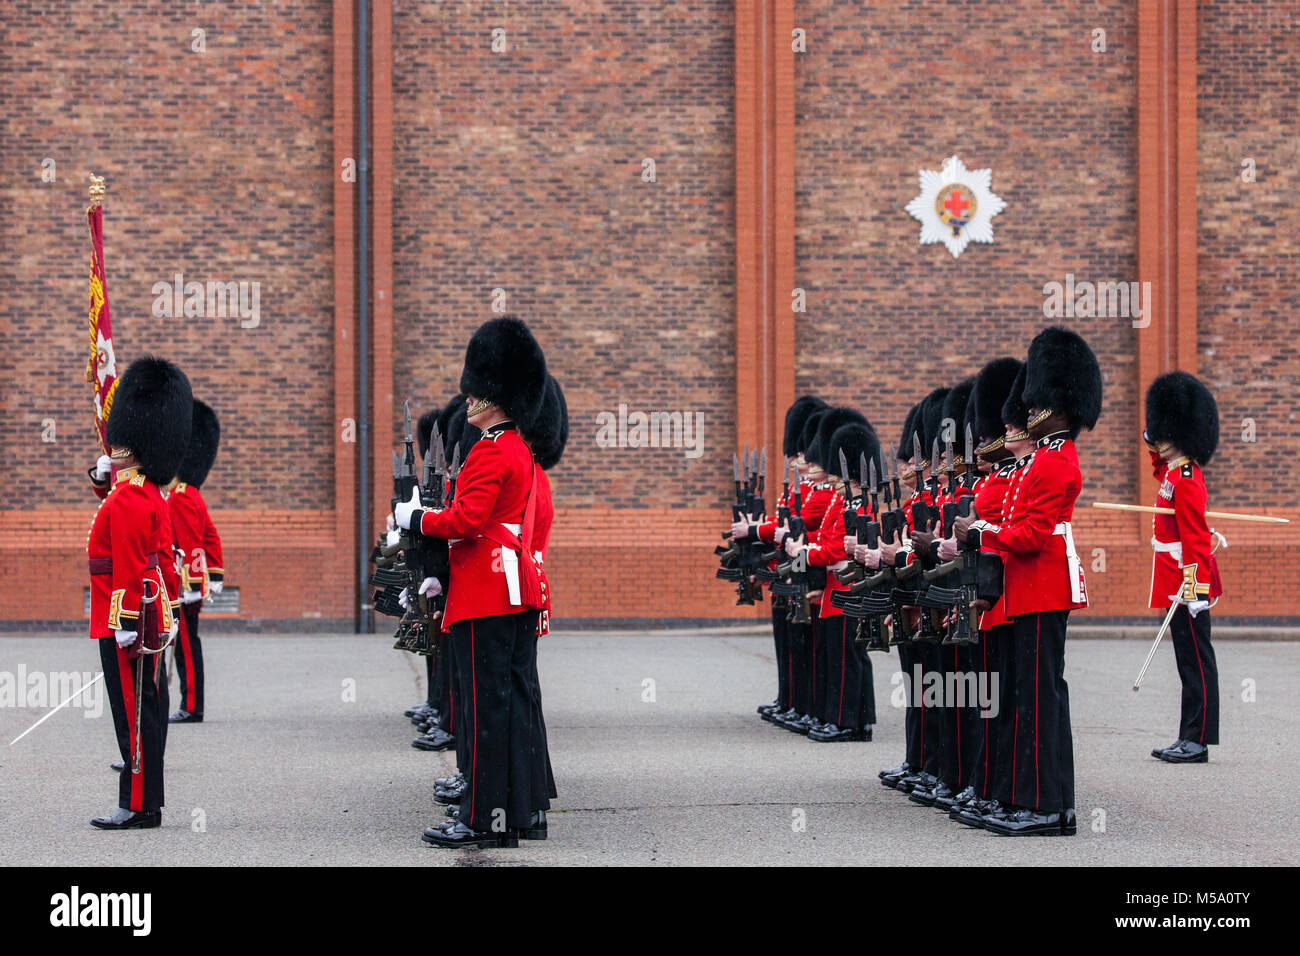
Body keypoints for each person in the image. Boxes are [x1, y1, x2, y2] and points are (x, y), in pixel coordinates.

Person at [395, 316, 550, 849]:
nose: (468, 402)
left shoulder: (489, 450)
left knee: (485, 710)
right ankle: (518, 814)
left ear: (493, 397)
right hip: (510, 588)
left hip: (486, 592)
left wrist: (413, 519)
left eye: (475, 394)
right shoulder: (520, 450)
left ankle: (483, 819)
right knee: (508, 703)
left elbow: (464, 521)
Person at [957, 326, 1102, 836]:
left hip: (1043, 586)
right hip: (1025, 587)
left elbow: (1033, 535)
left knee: (1039, 697)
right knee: (1026, 695)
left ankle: (1043, 805)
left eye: (1038, 404)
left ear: (1058, 407)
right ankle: (1036, 799)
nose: (1028, 411)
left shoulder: (1057, 461)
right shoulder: (1039, 459)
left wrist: (983, 530)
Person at [87, 356, 192, 829]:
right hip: (150, 610)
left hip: (127, 615)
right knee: (147, 708)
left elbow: (128, 564)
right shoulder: (145, 490)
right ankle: (145, 800)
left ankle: (135, 804)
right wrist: (102, 474)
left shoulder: (131, 497)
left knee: (132, 712)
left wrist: (125, 622)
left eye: (122, 444)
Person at [1143, 371, 1223, 764]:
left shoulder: (1188, 478)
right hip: (1178, 578)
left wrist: (1194, 587)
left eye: (1164, 432)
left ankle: (1198, 738)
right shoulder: (1173, 473)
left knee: (1195, 659)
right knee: (1186, 659)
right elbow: (1159, 471)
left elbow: (1195, 537)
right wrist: (1151, 439)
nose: (1160, 440)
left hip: (1187, 580)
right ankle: (1188, 733)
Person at [168, 399, 223, 724]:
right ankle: (190, 703)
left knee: (186, 645)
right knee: (185, 643)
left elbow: (188, 543)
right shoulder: (189, 493)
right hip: (187, 582)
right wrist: (212, 575)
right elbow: (211, 538)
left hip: (183, 585)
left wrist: (189, 585)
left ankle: (191, 705)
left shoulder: (181, 496)